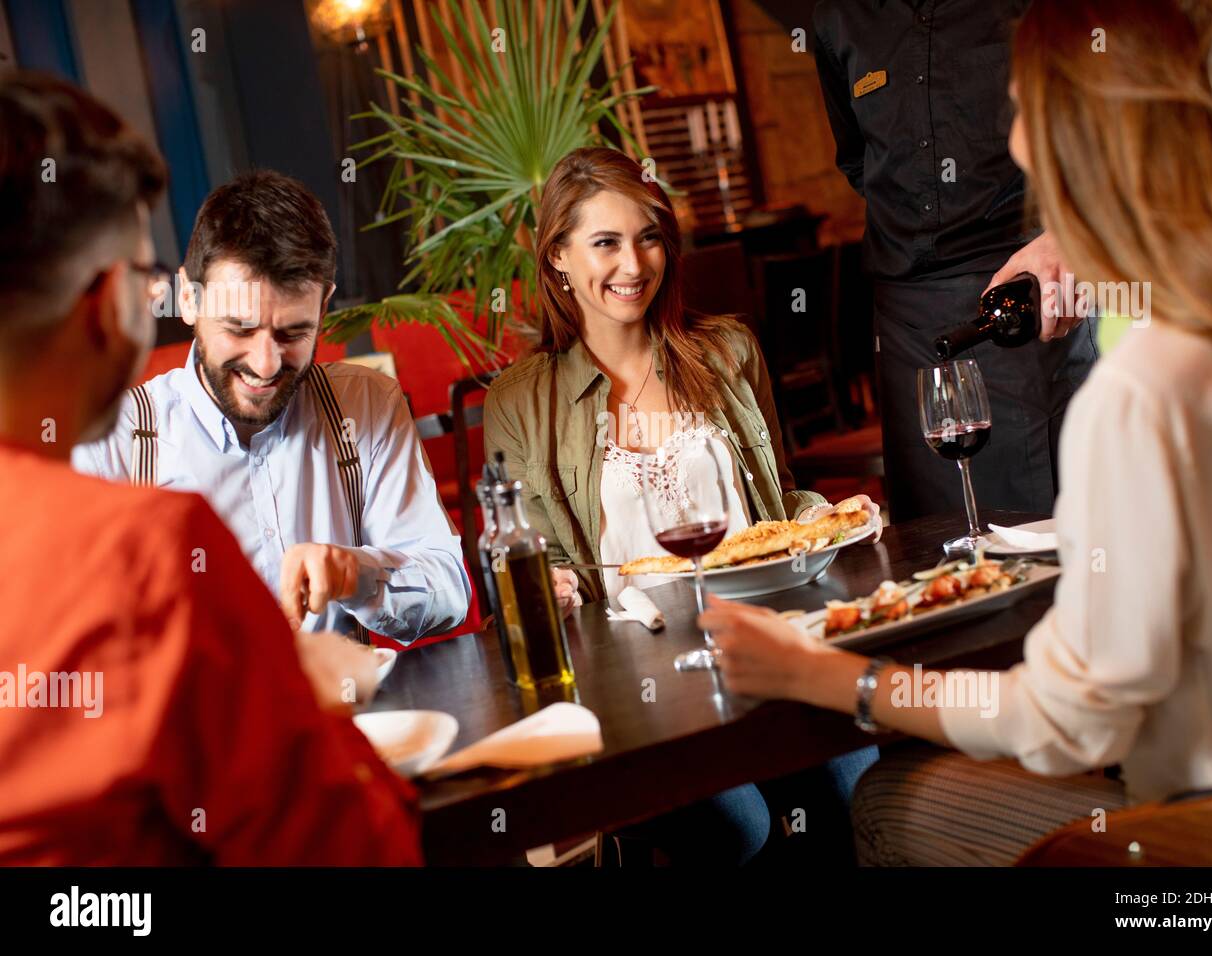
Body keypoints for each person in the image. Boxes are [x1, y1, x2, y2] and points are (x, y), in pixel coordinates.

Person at [700, 0, 1212, 865]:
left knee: (889, 797)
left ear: (1085, 140)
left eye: (1026, 113)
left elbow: (1071, 722)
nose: (1013, 145)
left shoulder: (1140, 392)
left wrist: (836, 680)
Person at [0, 71, 421, 864]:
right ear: (105, 304)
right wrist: (304, 695)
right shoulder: (144, 553)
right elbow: (357, 852)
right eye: (143, 273)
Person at [483, 146, 879, 865]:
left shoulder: (728, 350)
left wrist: (826, 514)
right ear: (559, 260)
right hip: (641, 687)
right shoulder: (519, 399)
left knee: (863, 793)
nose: (633, 265)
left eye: (649, 237)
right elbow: (538, 565)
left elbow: (777, 502)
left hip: (771, 642)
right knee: (747, 832)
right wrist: (556, 585)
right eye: (605, 242)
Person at [72, 170, 471, 645]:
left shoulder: (366, 406)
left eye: (293, 333)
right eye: (239, 329)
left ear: (324, 305)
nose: (265, 365)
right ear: (187, 300)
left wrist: (355, 574)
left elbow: (450, 593)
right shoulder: (111, 443)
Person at [812, 0, 1099, 522]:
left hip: (1021, 285)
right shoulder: (837, 16)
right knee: (933, 531)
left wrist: (1068, 229)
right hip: (905, 314)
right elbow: (857, 159)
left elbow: (1104, 118)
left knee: (1045, 524)